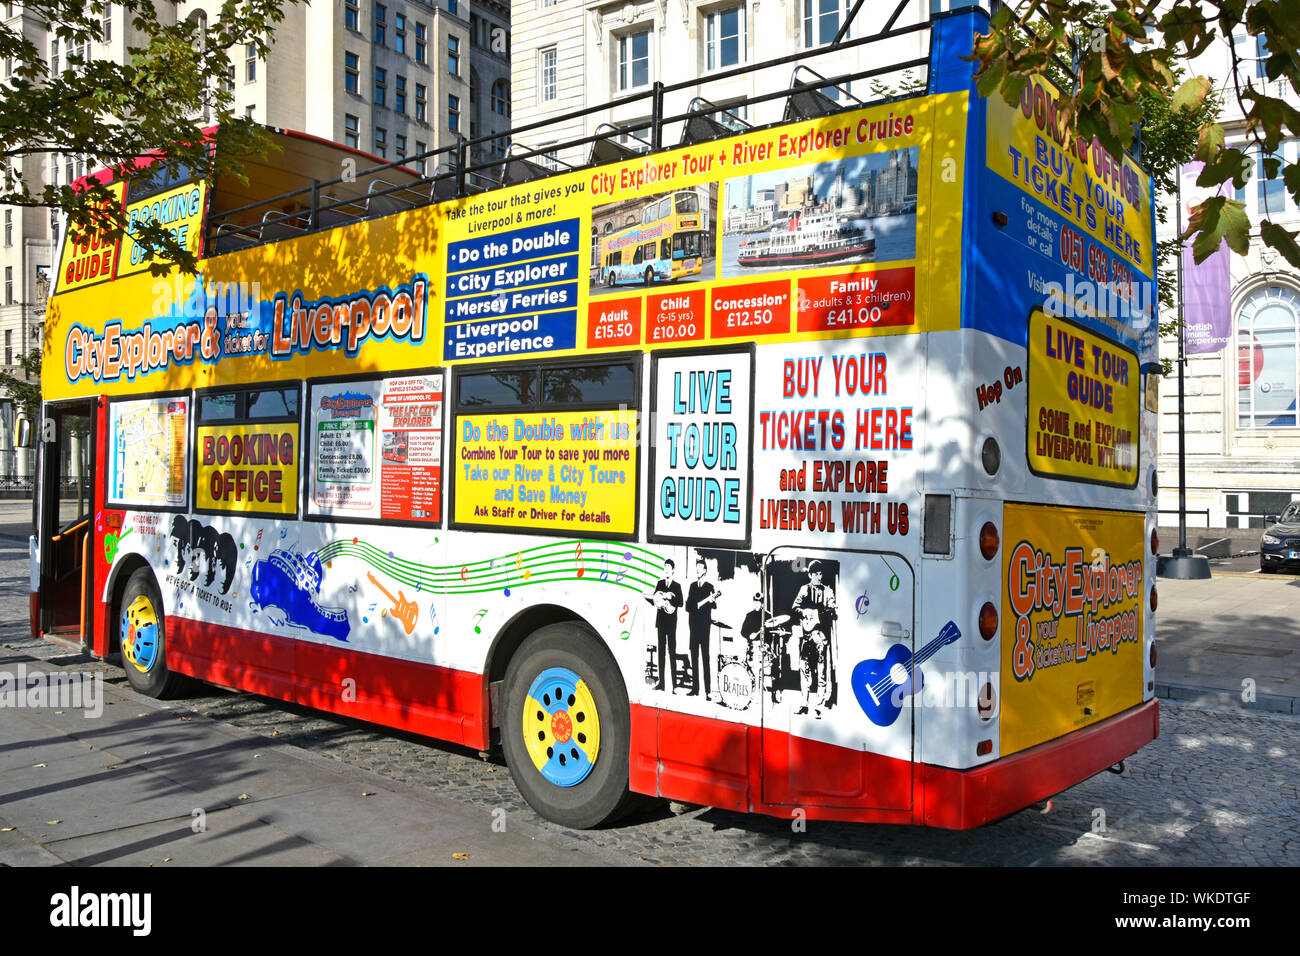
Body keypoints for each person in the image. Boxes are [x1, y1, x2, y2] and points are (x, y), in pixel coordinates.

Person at [792, 560, 837, 717]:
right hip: (806, 635)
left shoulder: (828, 591)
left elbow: (831, 608)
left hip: (821, 635)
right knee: (804, 668)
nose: (819, 576)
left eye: (820, 573)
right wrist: (805, 613)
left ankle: (819, 704)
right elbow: (795, 607)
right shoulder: (804, 590)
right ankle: (804, 703)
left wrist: (830, 608)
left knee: (821, 669)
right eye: (816, 574)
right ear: (810, 575)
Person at [645, 558, 682, 692]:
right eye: (665, 567)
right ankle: (662, 684)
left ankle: (675, 685)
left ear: (673, 570)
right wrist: (652, 600)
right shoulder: (660, 583)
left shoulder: (676, 586)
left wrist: (671, 597)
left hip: (671, 623)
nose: (666, 569)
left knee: (672, 652)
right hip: (660, 622)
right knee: (661, 652)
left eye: (668, 567)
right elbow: (655, 600)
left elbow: (681, 602)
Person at [685, 557, 720, 701]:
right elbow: (688, 607)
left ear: (705, 570)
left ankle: (707, 692)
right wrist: (701, 604)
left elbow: (714, 606)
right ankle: (695, 689)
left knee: (706, 658)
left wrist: (711, 600)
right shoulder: (693, 586)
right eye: (697, 568)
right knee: (694, 657)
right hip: (693, 626)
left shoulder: (710, 587)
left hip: (704, 627)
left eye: (700, 568)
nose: (698, 570)